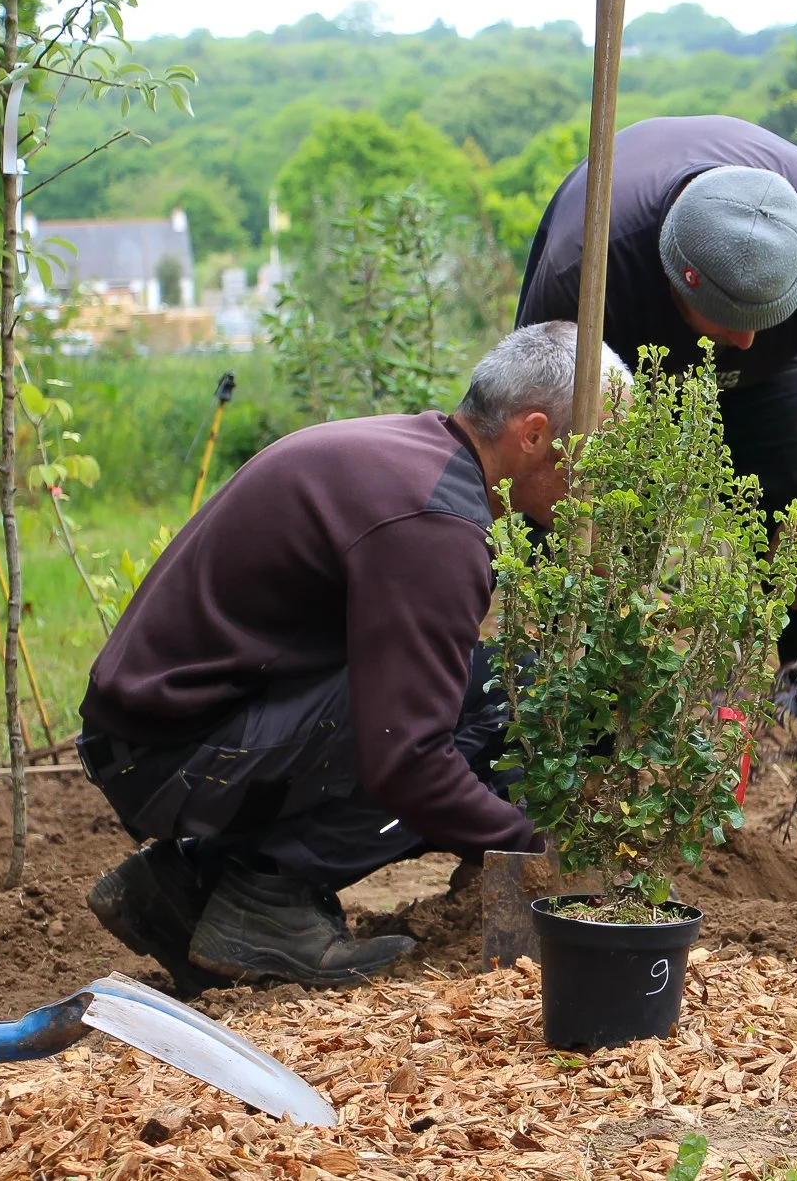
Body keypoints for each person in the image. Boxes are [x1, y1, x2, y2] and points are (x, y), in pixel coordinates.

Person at [78, 322, 626, 991]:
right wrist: (533, 851)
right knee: (485, 708)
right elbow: (408, 762)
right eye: (596, 454)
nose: (601, 482)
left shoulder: (418, 456)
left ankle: (191, 884)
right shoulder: (436, 527)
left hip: (161, 735)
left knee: (478, 687)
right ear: (534, 433)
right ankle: (267, 902)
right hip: (171, 759)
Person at [513, 114, 797, 847]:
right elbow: (541, 437)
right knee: (574, 589)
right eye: (726, 317)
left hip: (783, 381)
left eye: (764, 316)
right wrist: (598, 551)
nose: (742, 340)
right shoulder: (586, 266)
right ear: (679, 271)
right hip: (610, 368)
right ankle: (565, 822)